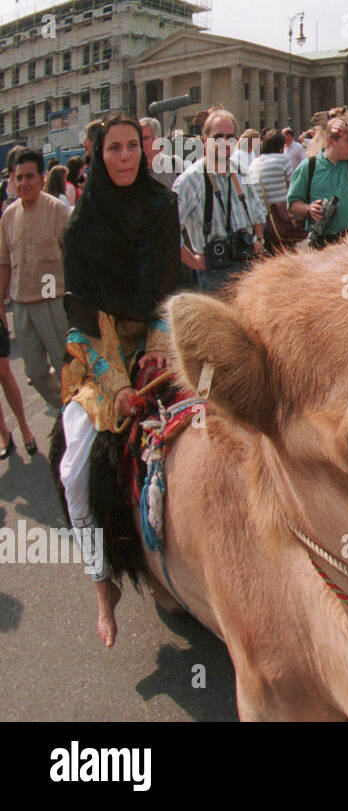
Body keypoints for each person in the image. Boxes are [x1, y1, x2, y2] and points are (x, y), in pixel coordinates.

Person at [59, 114, 183, 646]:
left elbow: (167, 292)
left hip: (159, 343)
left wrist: (156, 356)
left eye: (134, 146)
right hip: (99, 357)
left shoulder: (163, 205)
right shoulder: (80, 228)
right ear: (97, 154)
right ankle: (101, 582)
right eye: (115, 148)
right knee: (73, 471)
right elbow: (88, 320)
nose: (127, 156)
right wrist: (119, 387)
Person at [0, 146, 71, 412]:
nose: (23, 183)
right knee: (36, 372)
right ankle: (67, 408)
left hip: (51, 301)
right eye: (18, 178)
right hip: (21, 305)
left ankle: (76, 419)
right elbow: (4, 263)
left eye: (29, 176)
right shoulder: (8, 216)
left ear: (42, 178)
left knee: (65, 367)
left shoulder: (56, 210)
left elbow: (72, 257)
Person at [173, 109, 266, 291]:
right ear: (205, 140)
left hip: (248, 265)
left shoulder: (242, 172)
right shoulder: (190, 181)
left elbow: (258, 211)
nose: (224, 142)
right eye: (218, 137)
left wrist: (259, 240)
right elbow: (169, 230)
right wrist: (193, 261)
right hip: (214, 272)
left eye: (229, 136)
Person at [286, 114, 348, 245]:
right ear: (331, 142)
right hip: (324, 243)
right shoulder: (308, 167)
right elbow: (293, 205)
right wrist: (309, 208)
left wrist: (345, 126)